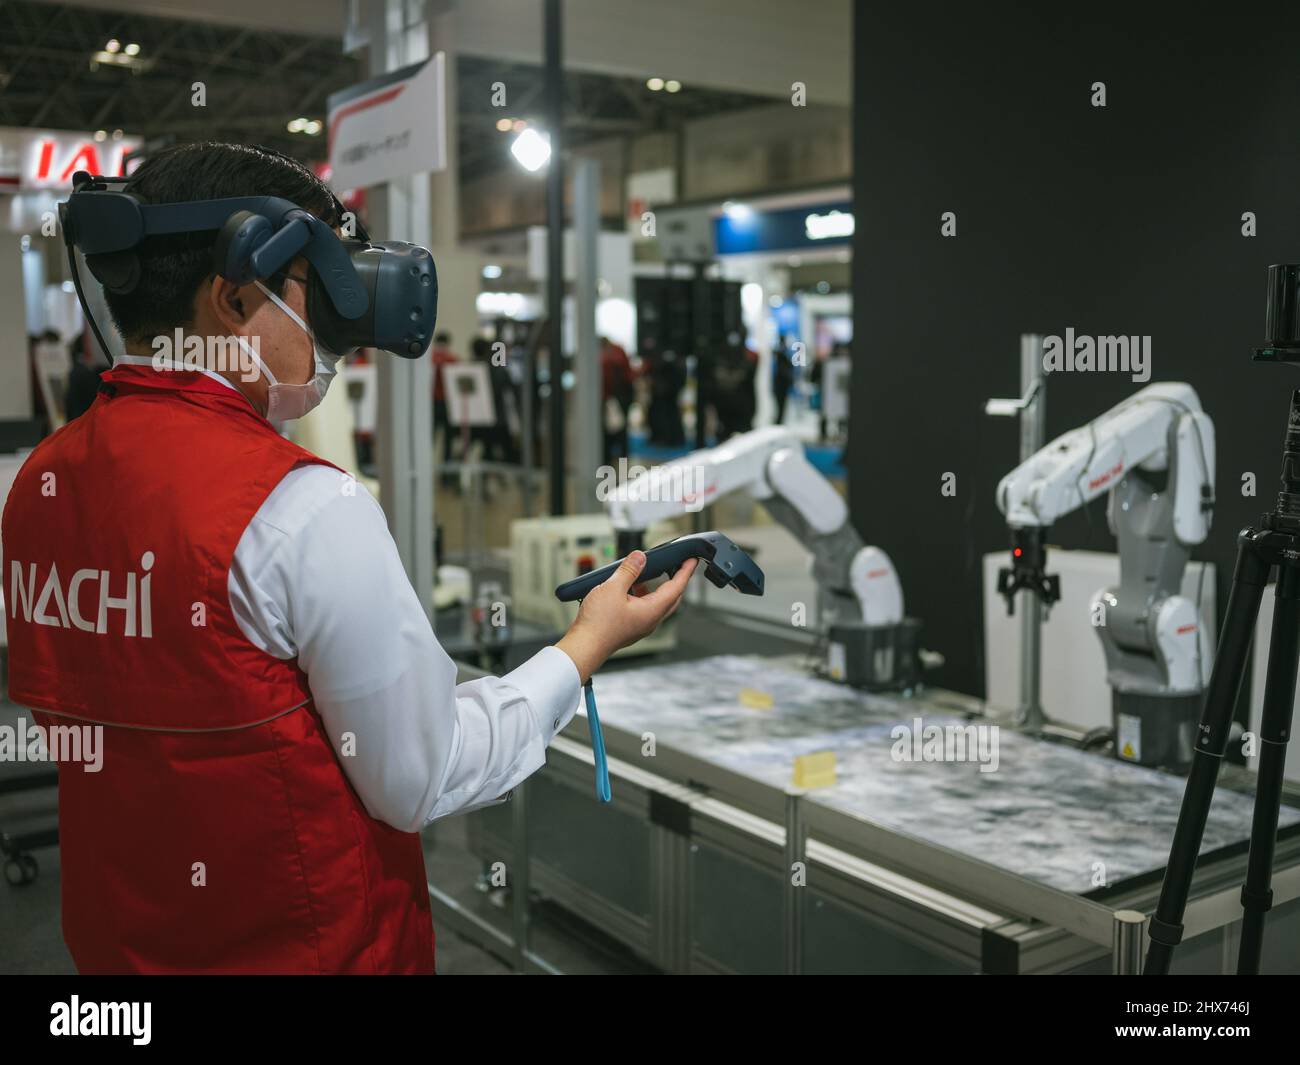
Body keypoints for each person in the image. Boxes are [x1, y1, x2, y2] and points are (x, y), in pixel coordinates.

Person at [1, 142, 696, 975]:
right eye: (316, 294)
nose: (337, 329)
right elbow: (418, 775)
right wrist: (585, 646)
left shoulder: (40, 483)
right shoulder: (300, 508)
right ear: (232, 298)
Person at [599, 335, 634, 464]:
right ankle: (622, 459)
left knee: (610, 431)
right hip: (622, 396)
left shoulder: (604, 357)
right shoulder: (618, 351)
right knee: (621, 430)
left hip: (613, 398)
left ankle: (607, 460)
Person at [430, 330, 458, 466]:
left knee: (430, 440)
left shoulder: (430, 359)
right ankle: (447, 477)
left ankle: (426, 470)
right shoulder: (452, 359)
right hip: (448, 405)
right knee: (448, 441)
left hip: (433, 404)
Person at [772, 333, 795, 425]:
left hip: (782, 385)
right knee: (780, 405)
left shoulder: (782, 352)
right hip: (780, 385)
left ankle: (779, 421)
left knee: (781, 405)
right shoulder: (780, 353)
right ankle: (778, 421)